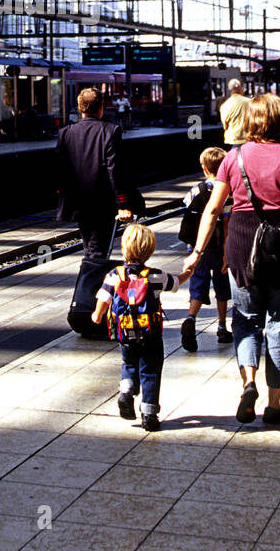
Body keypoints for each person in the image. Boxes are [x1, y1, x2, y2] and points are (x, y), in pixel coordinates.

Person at [184, 93, 280, 425]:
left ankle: (249, 383)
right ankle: (273, 404)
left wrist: (198, 252)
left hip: (242, 244)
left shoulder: (233, 157)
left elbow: (213, 210)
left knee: (246, 320)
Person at [92, 223, 186, 431]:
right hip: (150, 335)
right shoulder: (155, 276)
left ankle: (126, 391)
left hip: (125, 334)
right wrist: (189, 271)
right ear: (150, 250)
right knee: (151, 371)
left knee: (129, 364)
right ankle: (149, 415)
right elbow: (177, 282)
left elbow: (103, 299)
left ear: (124, 247)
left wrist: (97, 316)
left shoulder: (114, 275)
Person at [56, 87, 132, 338]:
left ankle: (91, 307)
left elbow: (60, 170)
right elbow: (115, 171)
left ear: (80, 107)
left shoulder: (65, 133)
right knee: (97, 255)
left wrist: (64, 197)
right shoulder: (111, 131)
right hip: (103, 205)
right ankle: (89, 312)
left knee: (91, 250)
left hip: (78, 205)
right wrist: (122, 203)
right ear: (101, 107)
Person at [180, 145, 232, 352]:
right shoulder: (227, 192)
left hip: (197, 248)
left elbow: (187, 210)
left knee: (198, 285)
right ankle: (221, 326)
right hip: (219, 248)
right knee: (222, 288)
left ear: (204, 168)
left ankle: (191, 318)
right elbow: (227, 225)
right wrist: (228, 253)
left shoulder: (196, 190)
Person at [219, 78, 247, 148]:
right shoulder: (250, 102)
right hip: (248, 138)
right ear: (239, 88)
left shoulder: (224, 105)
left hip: (233, 139)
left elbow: (225, 125)